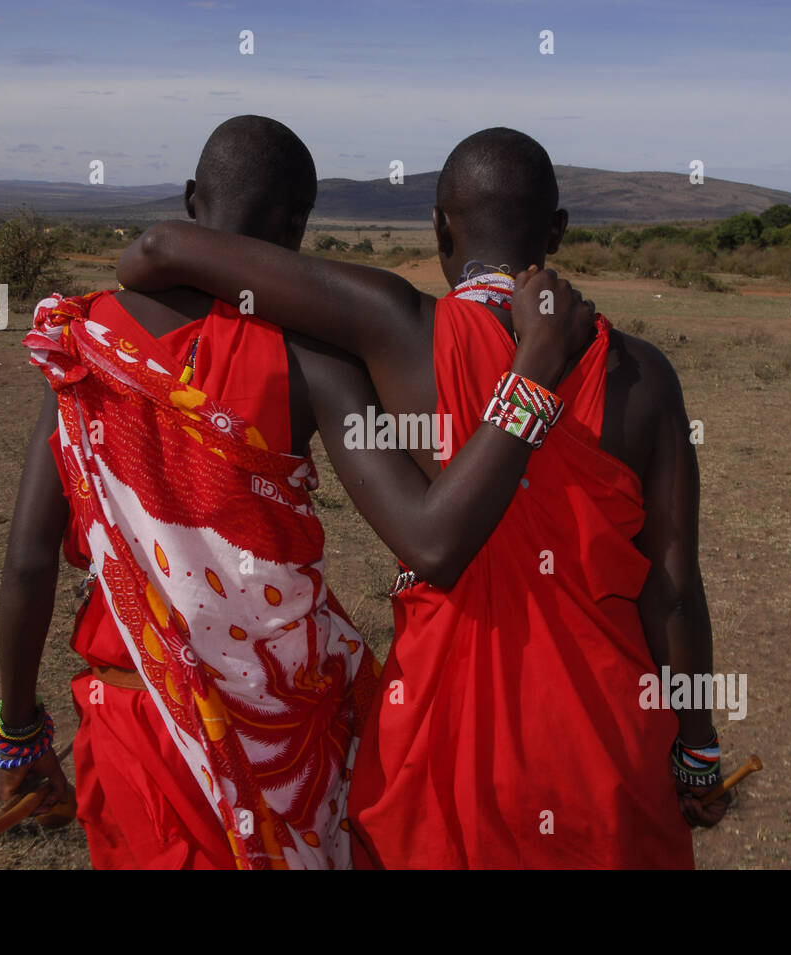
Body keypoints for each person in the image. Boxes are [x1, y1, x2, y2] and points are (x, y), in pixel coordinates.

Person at [117, 126, 731, 868]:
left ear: (439, 227)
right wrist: (696, 748)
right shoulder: (646, 377)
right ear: (559, 230)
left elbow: (156, 250)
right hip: (604, 754)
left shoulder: (398, 327)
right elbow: (674, 590)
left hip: (441, 750)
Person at [0, 117, 595, 870]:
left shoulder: (85, 349)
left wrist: (16, 731)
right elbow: (426, 532)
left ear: (190, 198)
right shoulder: (314, 360)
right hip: (284, 727)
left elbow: (27, 563)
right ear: (299, 225)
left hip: (133, 722)